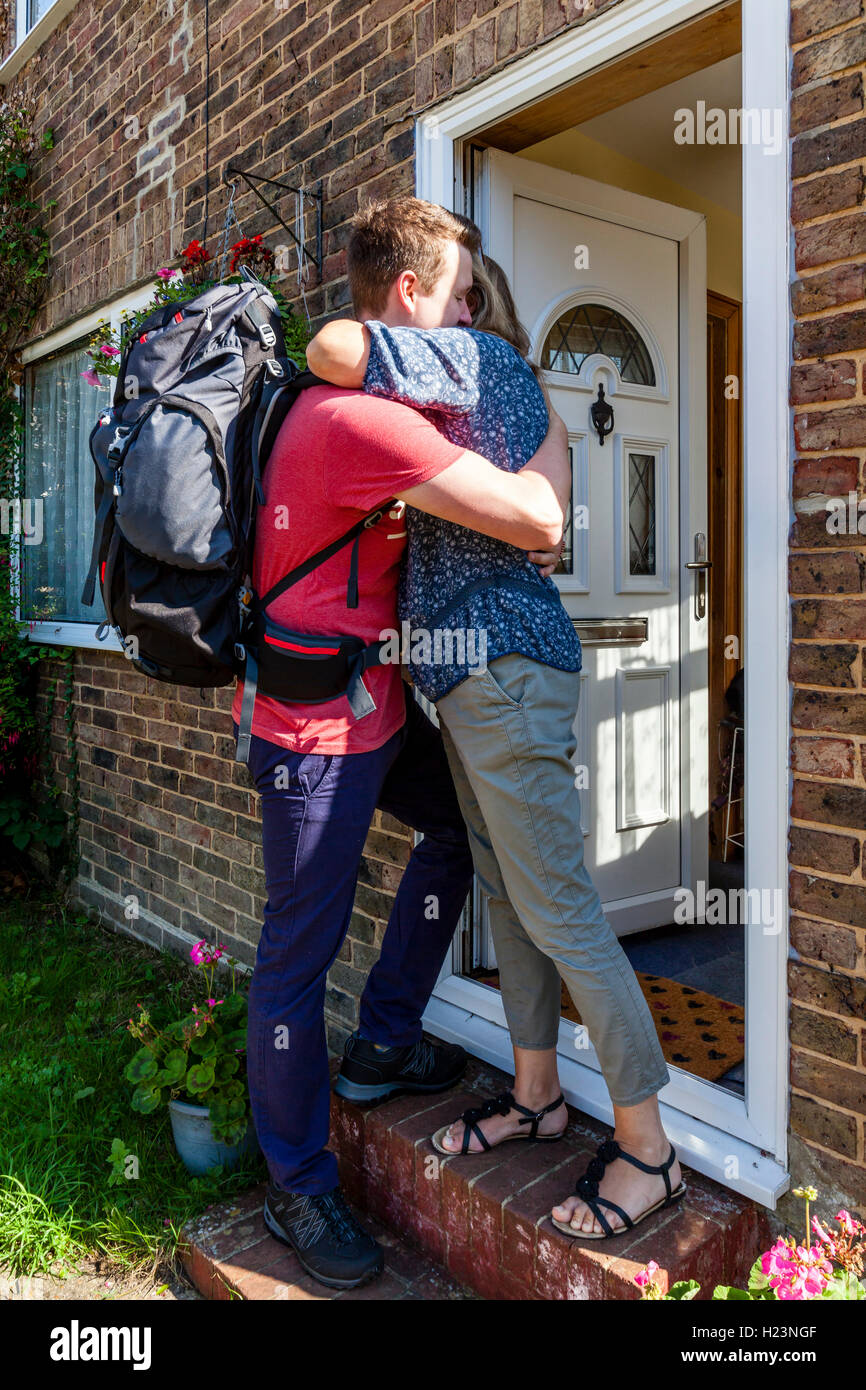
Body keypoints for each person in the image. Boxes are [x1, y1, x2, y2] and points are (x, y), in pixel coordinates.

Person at [305, 220, 686, 1244]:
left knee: (558, 907)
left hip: (503, 674)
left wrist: (426, 328)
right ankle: (535, 1096)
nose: (463, 309)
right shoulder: (469, 402)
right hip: (471, 678)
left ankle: (649, 1149)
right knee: (511, 897)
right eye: (457, 295)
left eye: (471, 296)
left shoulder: (472, 357)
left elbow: (330, 349)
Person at [229, 197, 572, 1289]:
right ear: (411, 297)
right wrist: (554, 435)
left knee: (456, 832)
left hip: (373, 711)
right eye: (463, 298)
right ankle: (297, 1182)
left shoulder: (357, 399)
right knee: (293, 956)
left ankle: (381, 1038)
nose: (473, 319)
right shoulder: (364, 423)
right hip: (312, 739)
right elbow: (532, 521)